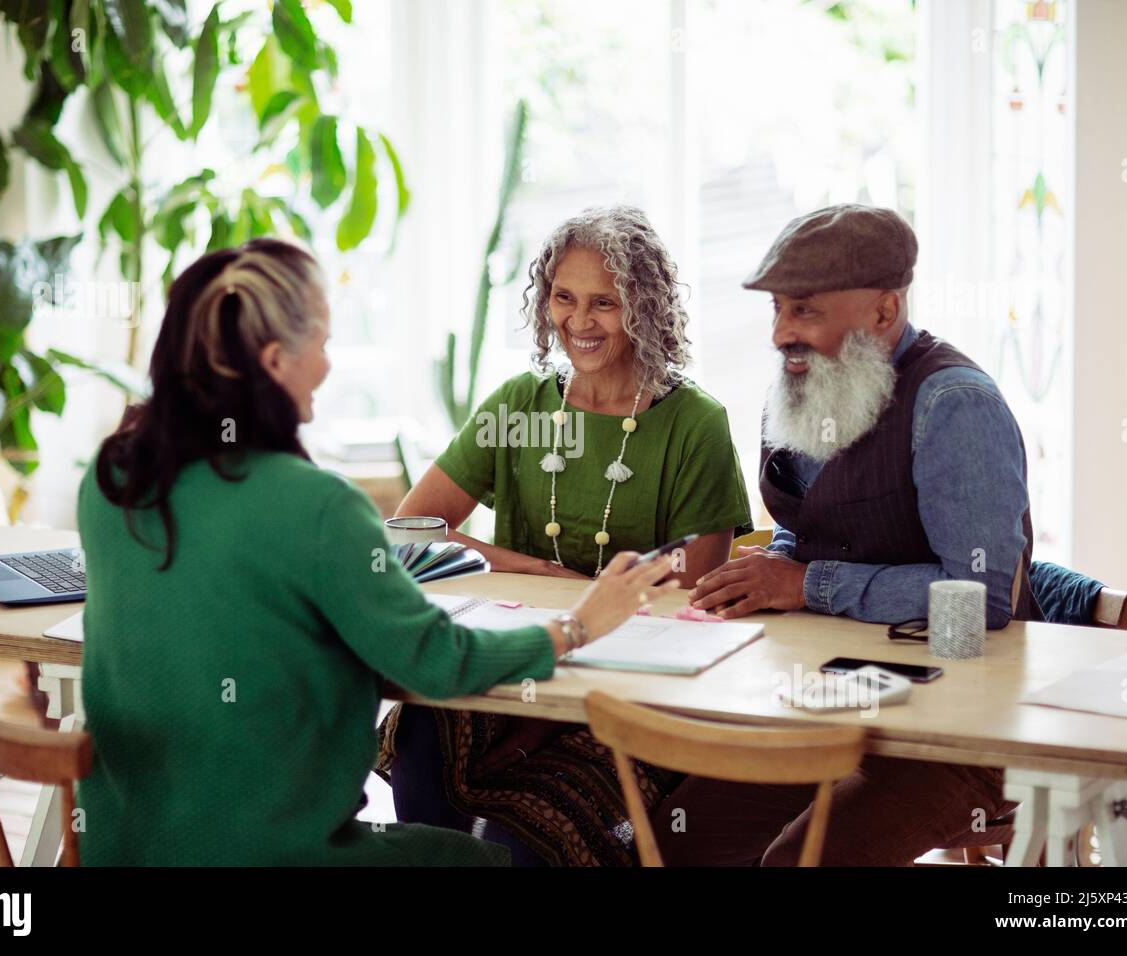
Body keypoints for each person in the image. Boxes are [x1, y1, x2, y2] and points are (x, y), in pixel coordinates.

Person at [75, 237, 679, 865]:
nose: (329, 367)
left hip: (123, 849)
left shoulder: (113, 476)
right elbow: (437, 661)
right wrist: (579, 624)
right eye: (323, 344)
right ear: (276, 361)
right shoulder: (318, 505)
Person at [655, 204, 1038, 866]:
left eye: (803, 311)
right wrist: (763, 581)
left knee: (798, 862)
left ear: (883, 314)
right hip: (828, 706)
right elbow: (802, 536)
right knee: (683, 834)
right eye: (776, 310)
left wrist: (807, 584)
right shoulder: (807, 389)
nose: (779, 334)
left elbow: (981, 594)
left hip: (955, 737)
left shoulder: (956, 405)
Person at [380, 206, 752, 865]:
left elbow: (698, 594)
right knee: (421, 736)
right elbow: (410, 529)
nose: (578, 322)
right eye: (563, 297)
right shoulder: (520, 404)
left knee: (532, 835)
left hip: (633, 694)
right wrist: (533, 570)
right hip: (523, 663)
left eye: (604, 303)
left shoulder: (695, 423)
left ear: (645, 305)